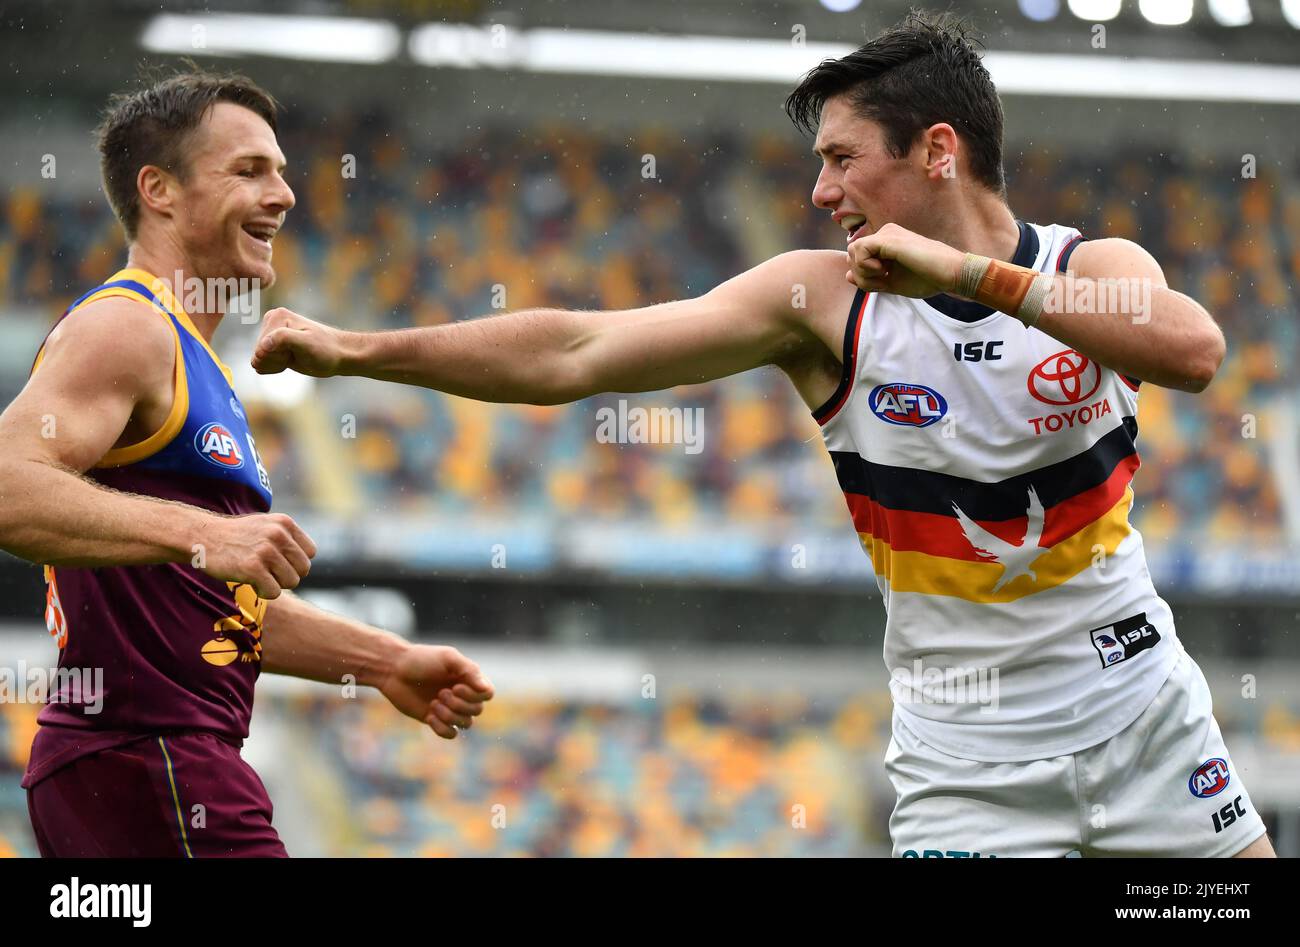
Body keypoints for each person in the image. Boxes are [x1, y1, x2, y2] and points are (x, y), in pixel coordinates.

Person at [250, 14, 1273, 857]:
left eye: (840, 158)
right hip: (967, 768)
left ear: (938, 151)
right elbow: (573, 351)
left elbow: (1190, 349)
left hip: (1148, 724)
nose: (821, 191)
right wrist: (355, 349)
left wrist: (962, 276)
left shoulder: (1092, 266)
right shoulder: (818, 301)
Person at [0, 69, 494, 858]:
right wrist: (207, 533)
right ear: (158, 189)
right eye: (250, 170)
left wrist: (384, 660)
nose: (285, 194)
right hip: (150, 763)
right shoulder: (127, 328)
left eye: (282, 172)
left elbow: (197, 599)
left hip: (147, 767)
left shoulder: (196, 363)